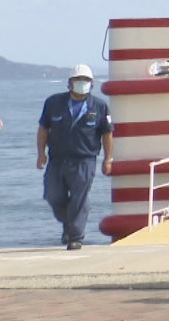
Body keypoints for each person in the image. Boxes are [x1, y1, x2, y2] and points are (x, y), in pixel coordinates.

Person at [37, 64, 113, 250]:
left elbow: (107, 134)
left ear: (91, 83)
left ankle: (75, 237)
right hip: (57, 160)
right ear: (70, 83)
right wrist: (41, 154)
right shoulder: (53, 103)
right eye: (78, 80)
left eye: (86, 80)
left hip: (84, 160)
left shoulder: (100, 106)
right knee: (53, 196)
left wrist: (108, 159)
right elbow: (43, 129)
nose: (82, 83)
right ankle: (69, 225)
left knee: (79, 198)